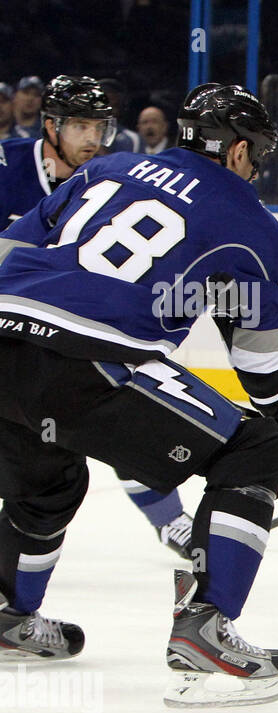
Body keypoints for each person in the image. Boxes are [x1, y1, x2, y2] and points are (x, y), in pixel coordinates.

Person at [0, 84, 278, 706]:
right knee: (250, 451)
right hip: (87, 357)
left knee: (51, 482)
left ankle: (8, 613)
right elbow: (257, 356)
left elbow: (14, 247)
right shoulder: (250, 219)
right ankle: (207, 628)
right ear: (239, 152)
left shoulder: (109, 169)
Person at [0, 76, 197, 555]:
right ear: (50, 126)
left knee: (115, 404)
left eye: (100, 127)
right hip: (8, 327)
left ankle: (171, 521)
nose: (93, 139)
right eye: (80, 127)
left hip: (60, 334)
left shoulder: (114, 176)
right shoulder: (5, 165)